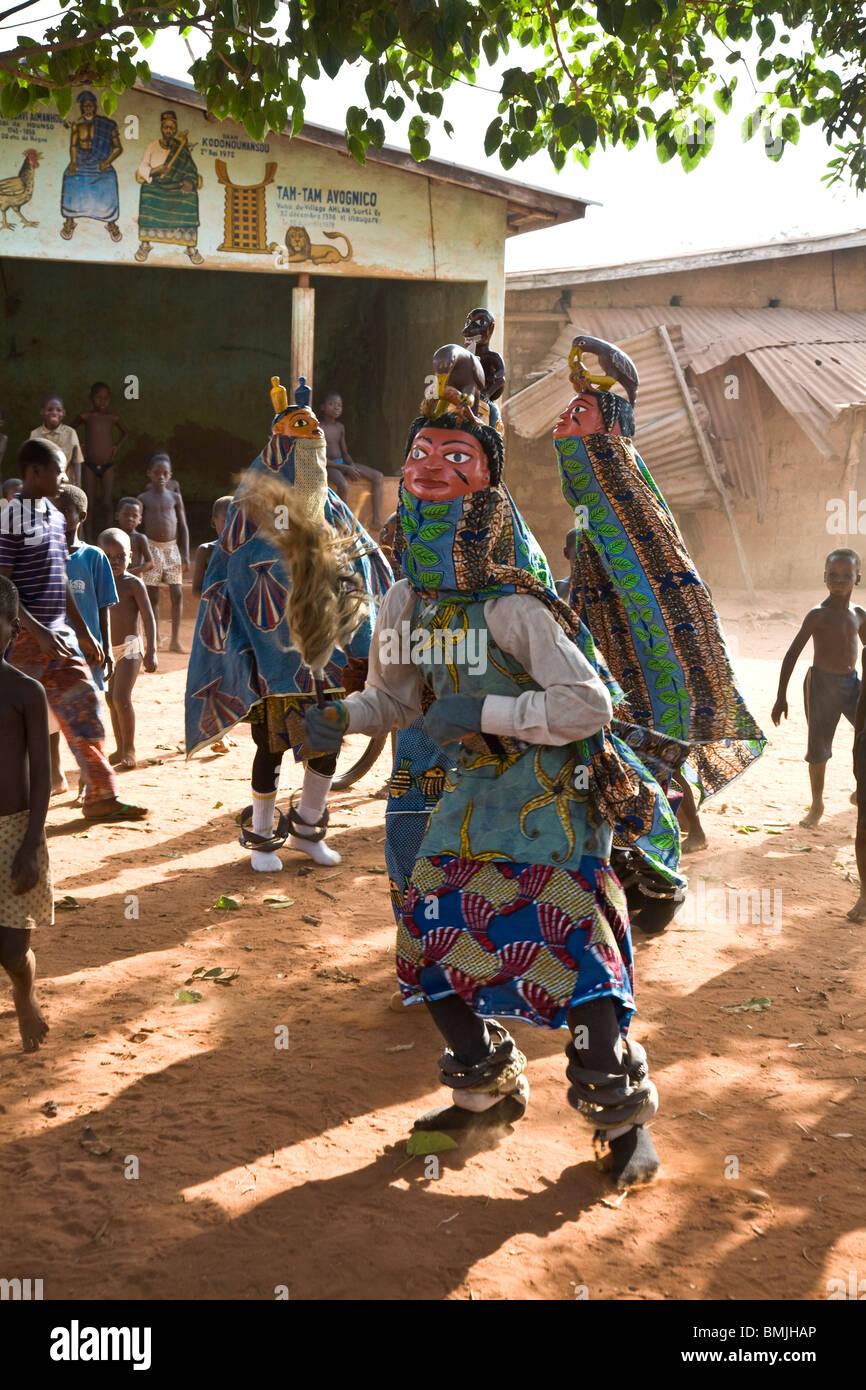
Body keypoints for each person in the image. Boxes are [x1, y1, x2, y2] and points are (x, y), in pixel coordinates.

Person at [305, 411, 663, 1189]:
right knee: (431, 931)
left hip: (551, 798)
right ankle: (484, 1094)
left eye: (454, 456)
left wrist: (487, 713)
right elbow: (392, 702)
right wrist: (339, 714)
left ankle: (621, 1120)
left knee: (572, 950)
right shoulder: (405, 602)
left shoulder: (514, 605)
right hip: (470, 794)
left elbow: (586, 705)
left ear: (486, 486)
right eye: (419, 453)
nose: (429, 465)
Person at [553, 336, 766, 858]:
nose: (564, 417)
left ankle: (666, 837)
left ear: (609, 426)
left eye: (580, 411)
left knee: (645, 725)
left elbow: (657, 568)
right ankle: (663, 828)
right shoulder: (591, 481)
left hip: (651, 636)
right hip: (614, 631)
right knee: (633, 727)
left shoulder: (616, 477)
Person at [184, 384, 392, 872]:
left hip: (330, 658)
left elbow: (361, 569)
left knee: (327, 741)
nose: (315, 447)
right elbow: (234, 574)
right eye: (305, 437)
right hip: (272, 657)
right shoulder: (250, 509)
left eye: (318, 439)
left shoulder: (334, 509)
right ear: (281, 447)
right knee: (271, 746)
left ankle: (307, 828)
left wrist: (361, 640)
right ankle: (261, 836)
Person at [0, 439, 145, 822]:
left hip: (58, 636)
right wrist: (36, 632)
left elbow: (59, 578)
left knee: (86, 707)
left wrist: (82, 630)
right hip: (21, 642)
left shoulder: (52, 513)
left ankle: (99, 795)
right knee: (10, 723)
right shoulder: (11, 518)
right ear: (35, 473)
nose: (65, 478)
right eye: (58, 470)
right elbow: (3, 586)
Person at [772, 548, 866, 829]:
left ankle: (860, 790)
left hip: (852, 686)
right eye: (833, 575)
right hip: (822, 686)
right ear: (824, 576)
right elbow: (792, 654)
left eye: (845, 576)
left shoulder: (859, 614)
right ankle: (817, 804)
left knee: (863, 738)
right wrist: (781, 696)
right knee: (818, 749)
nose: (838, 581)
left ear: (857, 578)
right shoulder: (818, 614)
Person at [0, 575, 53, 1051]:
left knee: (12, 949)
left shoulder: (25, 693)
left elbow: (42, 776)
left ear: (13, 630)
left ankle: (23, 991)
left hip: (14, 831)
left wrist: (31, 844)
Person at [98, 528, 157, 770]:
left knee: (122, 697)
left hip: (131, 646)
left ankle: (130, 748)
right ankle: (120, 747)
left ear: (130, 556)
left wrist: (152, 650)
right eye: (108, 557)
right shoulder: (97, 582)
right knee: (111, 698)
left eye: (120, 556)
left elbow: (148, 617)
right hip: (107, 649)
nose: (114, 562)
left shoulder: (134, 584)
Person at [135, 110, 203, 265]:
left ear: (176, 129)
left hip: (177, 186)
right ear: (161, 128)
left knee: (191, 197)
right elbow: (142, 168)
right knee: (147, 193)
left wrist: (189, 181)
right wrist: (156, 170)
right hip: (157, 185)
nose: (169, 131)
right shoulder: (152, 146)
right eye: (166, 128)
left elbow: (191, 169)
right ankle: (145, 244)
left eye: (172, 128)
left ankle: (190, 247)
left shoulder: (181, 148)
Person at [137, 453, 189, 652]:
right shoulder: (143, 499)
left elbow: (183, 527)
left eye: (165, 473)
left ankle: (175, 640)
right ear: (149, 474)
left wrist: (184, 554)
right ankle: (156, 637)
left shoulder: (175, 498)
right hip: (151, 548)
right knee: (153, 595)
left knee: (177, 593)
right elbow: (139, 529)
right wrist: (141, 553)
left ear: (170, 476)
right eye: (157, 472)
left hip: (172, 549)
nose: (161, 476)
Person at [60, 90, 123, 244]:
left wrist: (107, 162)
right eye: (85, 105)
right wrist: (74, 162)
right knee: (69, 177)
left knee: (109, 178)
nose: (88, 108)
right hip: (81, 160)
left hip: (100, 160)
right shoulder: (77, 124)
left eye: (90, 105)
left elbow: (118, 148)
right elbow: (73, 145)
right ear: (82, 107)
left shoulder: (106, 125)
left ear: (95, 107)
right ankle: (69, 220)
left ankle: (111, 223)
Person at [320, 391, 384, 531]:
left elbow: (345, 452)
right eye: (331, 404)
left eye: (339, 405)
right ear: (322, 407)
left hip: (342, 464)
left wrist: (351, 465)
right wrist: (345, 468)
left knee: (378, 476)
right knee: (343, 485)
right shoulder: (319, 428)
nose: (336, 407)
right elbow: (320, 459)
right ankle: (342, 522)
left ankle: (377, 521)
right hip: (329, 466)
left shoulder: (340, 427)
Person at [74, 382, 129, 535]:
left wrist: (116, 446)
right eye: (98, 398)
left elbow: (126, 432)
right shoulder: (86, 416)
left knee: (107, 503)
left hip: (108, 465)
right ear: (91, 398)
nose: (102, 401)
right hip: (89, 465)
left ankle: (109, 535)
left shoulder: (113, 418)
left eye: (106, 398)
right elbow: (70, 430)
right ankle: (88, 535)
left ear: (110, 399)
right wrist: (80, 445)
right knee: (88, 503)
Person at [29, 396, 83, 487]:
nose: (54, 413)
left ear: (63, 413)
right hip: (43, 486)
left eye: (58, 410)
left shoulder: (71, 433)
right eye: (50, 409)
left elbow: (77, 461)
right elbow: (31, 463)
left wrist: (78, 485)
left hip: (66, 485)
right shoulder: (35, 434)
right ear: (42, 412)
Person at [192, 495, 233, 598]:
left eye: (235, 521)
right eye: (225, 521)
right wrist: (218, 599)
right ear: (214, 521)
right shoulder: (206, 550)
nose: (230, 526)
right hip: (213, 610)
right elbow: (196, 589)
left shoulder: (245, 550)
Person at [114, 497, 153, 576]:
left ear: (140, 520)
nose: (130, 519)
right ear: (117, 516)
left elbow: (150, 563)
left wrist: (127, 573)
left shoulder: (140, 538)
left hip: (135, 581)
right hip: (116, 580)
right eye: (126, 514)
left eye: (134, 516)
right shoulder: (113, 536)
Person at [555, 526, 578, 599]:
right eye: (579, 555)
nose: (587, 559)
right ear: (566, 553)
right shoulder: (557, 588)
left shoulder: (606, 589)